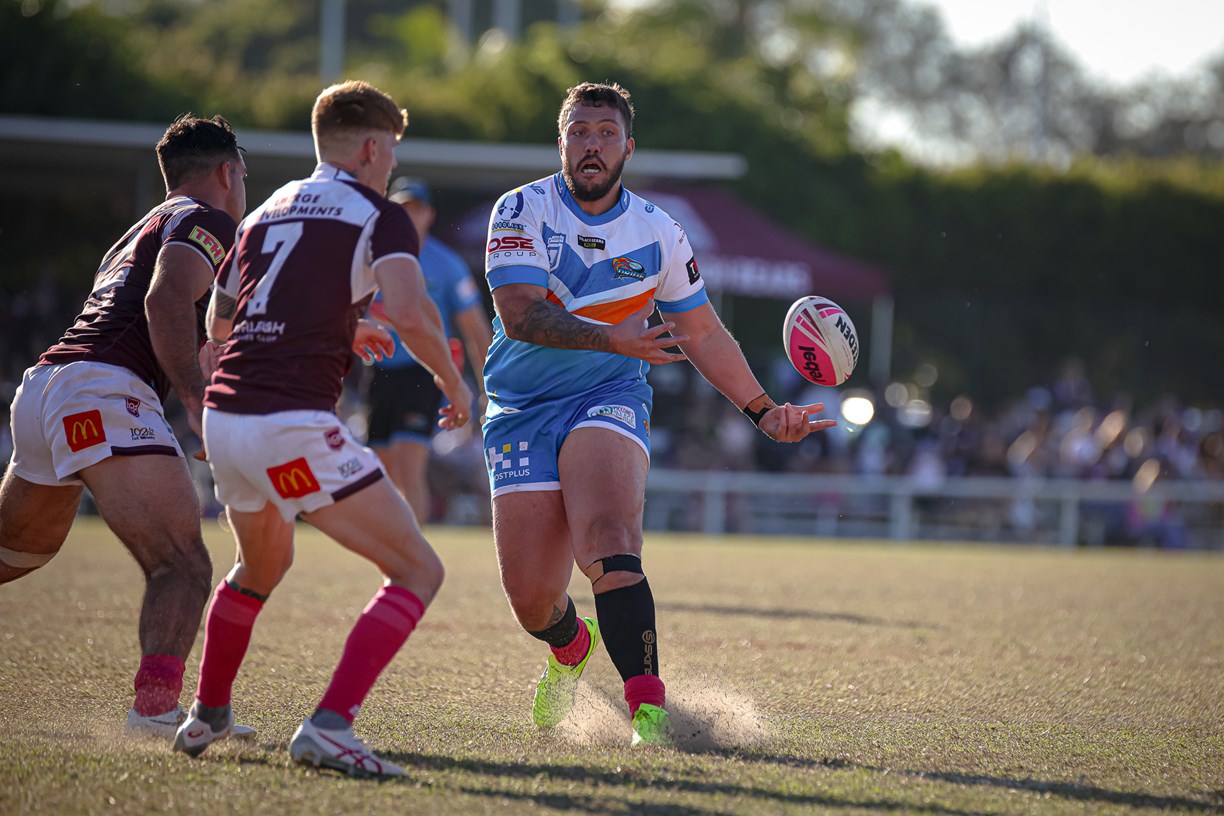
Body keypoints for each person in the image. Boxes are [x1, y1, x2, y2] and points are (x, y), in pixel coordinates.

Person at [481, 81, 836, 746]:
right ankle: (568, 647)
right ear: (561, 142)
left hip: (608, 393)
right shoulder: (520, 209)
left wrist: (764, 412)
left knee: (611, 541)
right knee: (531, 596)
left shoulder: (658, 231)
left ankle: (648, 710)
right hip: (522, 406)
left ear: (628, 148)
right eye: (579, 132)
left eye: (605, 134)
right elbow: (520, 313)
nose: (591, 144)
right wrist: (614, 334)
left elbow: (702, 334)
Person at [172, 80, 472, 779]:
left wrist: (340, 323)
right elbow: (409, 309)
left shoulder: (264, 212)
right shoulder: (379, 214)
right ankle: (330, 726)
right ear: (371, 146)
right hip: (290, 427)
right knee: (419, 570)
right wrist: (452, 382)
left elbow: (223, 324)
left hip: (227, 421)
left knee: (262, 566)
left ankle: (208, 712)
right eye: (391, 150)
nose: (391, 165)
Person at [0, 115, 252, 738]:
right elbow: (164, 302)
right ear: (227, 172)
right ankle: (155, 710)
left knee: (16, 553)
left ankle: (158, 708)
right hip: (102, 393)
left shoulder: (137, 230)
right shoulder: (212, 219)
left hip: (46, 391)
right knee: (183, 565)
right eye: (244, 175)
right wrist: (196, 401)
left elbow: (166, 311)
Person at [364, 176, 492, 520]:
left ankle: (412, 554)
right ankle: (392, 550)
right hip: (378, 370)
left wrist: (485, 388)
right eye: (401, 208)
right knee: (381, 467)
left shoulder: (445, 264)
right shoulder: (369, 257)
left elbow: (475, 329)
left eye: (416, 209)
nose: (409, 216)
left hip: (424, 371)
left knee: (409, 462)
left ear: (429, 215)